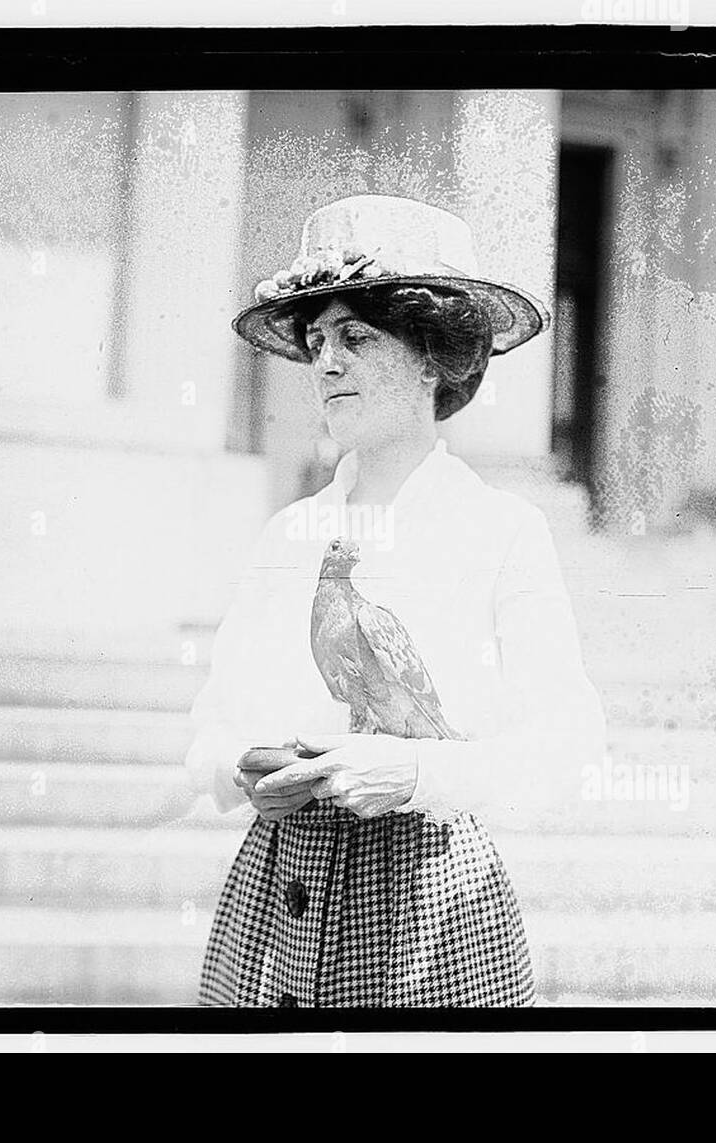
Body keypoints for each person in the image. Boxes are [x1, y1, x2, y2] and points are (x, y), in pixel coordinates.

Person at [185, 194, 607, 1007]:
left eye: (356, 337)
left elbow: (567, 741)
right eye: (316, 342)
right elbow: (209, 729)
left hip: (436, 915)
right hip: (277, 905)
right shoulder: (287, 535)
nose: (327, 364)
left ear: (429, 359)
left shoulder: (501, 531)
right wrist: (242, 767)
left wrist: (415, 771)